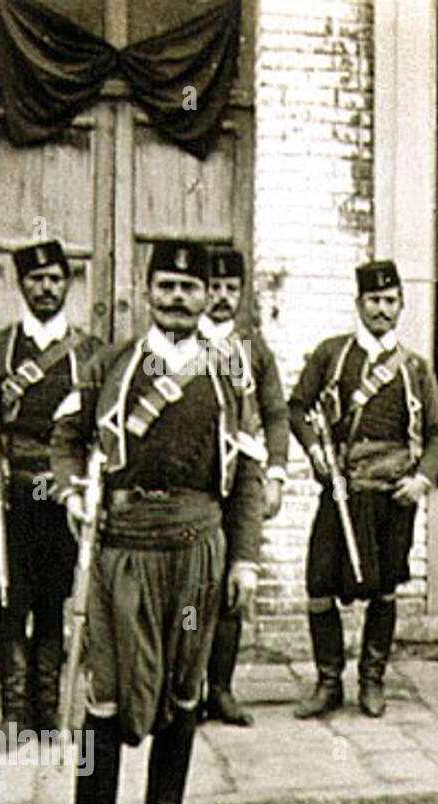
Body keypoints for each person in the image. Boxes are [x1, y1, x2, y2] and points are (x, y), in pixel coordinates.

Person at [49, 239, 265, 804]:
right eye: (166, 285)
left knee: (185, 684)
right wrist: (69, 490)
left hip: (198, 550)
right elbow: (66, 438)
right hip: (123, 551)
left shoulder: (230, 373)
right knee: (105, 691)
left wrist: (246, 560)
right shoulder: (109, 364)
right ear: (148, 292)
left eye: (189, 288)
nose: (177, 297)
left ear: (207, 298)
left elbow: (249, 473)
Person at [289, 260, 438, 719]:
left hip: (393, 495)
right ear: (359, 304)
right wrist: (316, 455)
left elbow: (437, 430)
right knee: (319, 582)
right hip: (341, 489)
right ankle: (328, 683)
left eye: (390, 301)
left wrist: (422, 479)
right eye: (374, 301)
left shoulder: (415, 368)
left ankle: (372, 681)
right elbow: (297, 407)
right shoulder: (332, 355)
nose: (382, 309)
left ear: (401, 306)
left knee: (385, 587)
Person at [0, 240, 103, 732]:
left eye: (55, 279)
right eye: (36, 279)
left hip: (59, 491)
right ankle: (15, 714)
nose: (46, 288)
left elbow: (102, 422)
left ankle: (49, 710)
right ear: (21, 285)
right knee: (12, 600)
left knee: (55, 600)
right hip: (10, 493)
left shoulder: (90, 353)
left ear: (68, 284)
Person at [197, 247, 290, 727]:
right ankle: (188, 691)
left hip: (245, 478)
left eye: (230, 289)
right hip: (197, 481)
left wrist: (276, 473)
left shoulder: (253, 349)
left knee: (239, 580)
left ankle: (222, 689)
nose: (221, 298)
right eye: (213, 288)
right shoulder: (181, 345)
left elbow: (276, 413)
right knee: (195, 586)